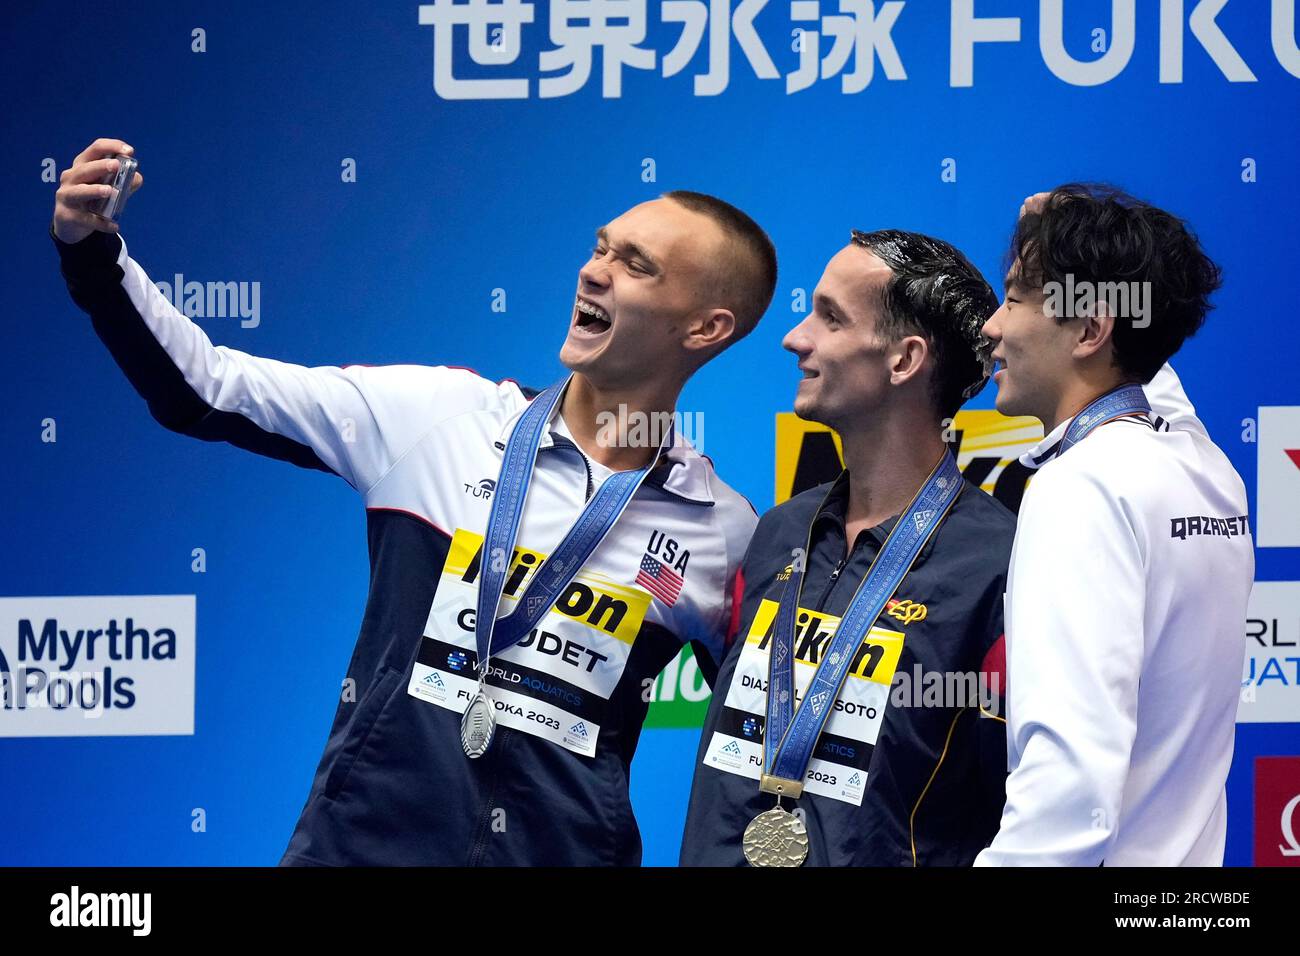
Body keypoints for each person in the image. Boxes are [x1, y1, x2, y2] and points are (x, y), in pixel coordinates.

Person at [50, 137, 773, 866]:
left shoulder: (723, 530)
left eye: (634, 265)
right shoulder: (439, 417)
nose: (593, 272)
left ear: (706, 327)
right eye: (601, 248)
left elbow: (771, 746)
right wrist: (94, 254)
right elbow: (205, 388)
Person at [679, 229, 1019, 866]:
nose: (796, 338)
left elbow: (1018, 801)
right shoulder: (776, 532)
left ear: (903, 360)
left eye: (830, 318)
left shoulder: (999, 564)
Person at [975, 185, 1254, 866]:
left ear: (1092, 330)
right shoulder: (1203, 466)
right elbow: (1146, 368)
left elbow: (1068, 794)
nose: (992, 326)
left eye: (1013, 298)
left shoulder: (1080, 487)